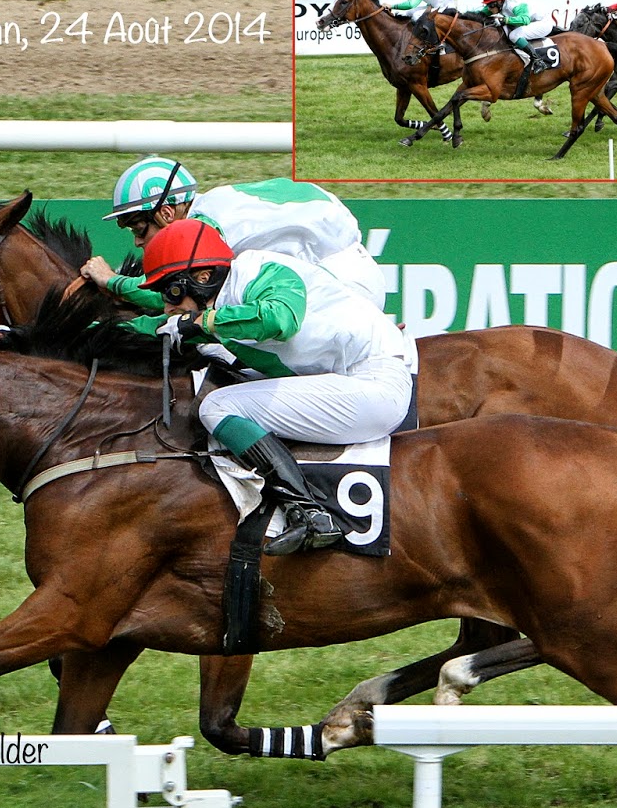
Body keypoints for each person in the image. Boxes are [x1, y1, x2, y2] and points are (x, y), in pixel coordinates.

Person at [131, 219, 414, 554]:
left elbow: (279, 320)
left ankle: (308, 512)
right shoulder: (223, 304)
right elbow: (154, 325)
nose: (168, 306)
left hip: (374, 385)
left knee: (217, 406)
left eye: (171, 292)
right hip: (352, 380)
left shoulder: (261, 272)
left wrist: (203, 322)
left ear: (203, 278)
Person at [83, 156, 387, 309]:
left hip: (343, 290)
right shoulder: (214, 204)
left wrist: (111, 280)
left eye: (139, 228)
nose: (138, 241)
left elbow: (175, 299)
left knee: (216, 345)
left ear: (166, 213)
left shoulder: (202, 228)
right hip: (350, 273)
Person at [481, 0, 558, 72]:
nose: (489, 9)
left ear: (499, 2)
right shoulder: (499, 4)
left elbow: (525, 19)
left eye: (491, 5)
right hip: (532, 22)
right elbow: (480, 13)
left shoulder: (513, 4)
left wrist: (504, 20)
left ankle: (538, 60)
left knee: (514, 35)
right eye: (487, 5)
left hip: (542, 23)